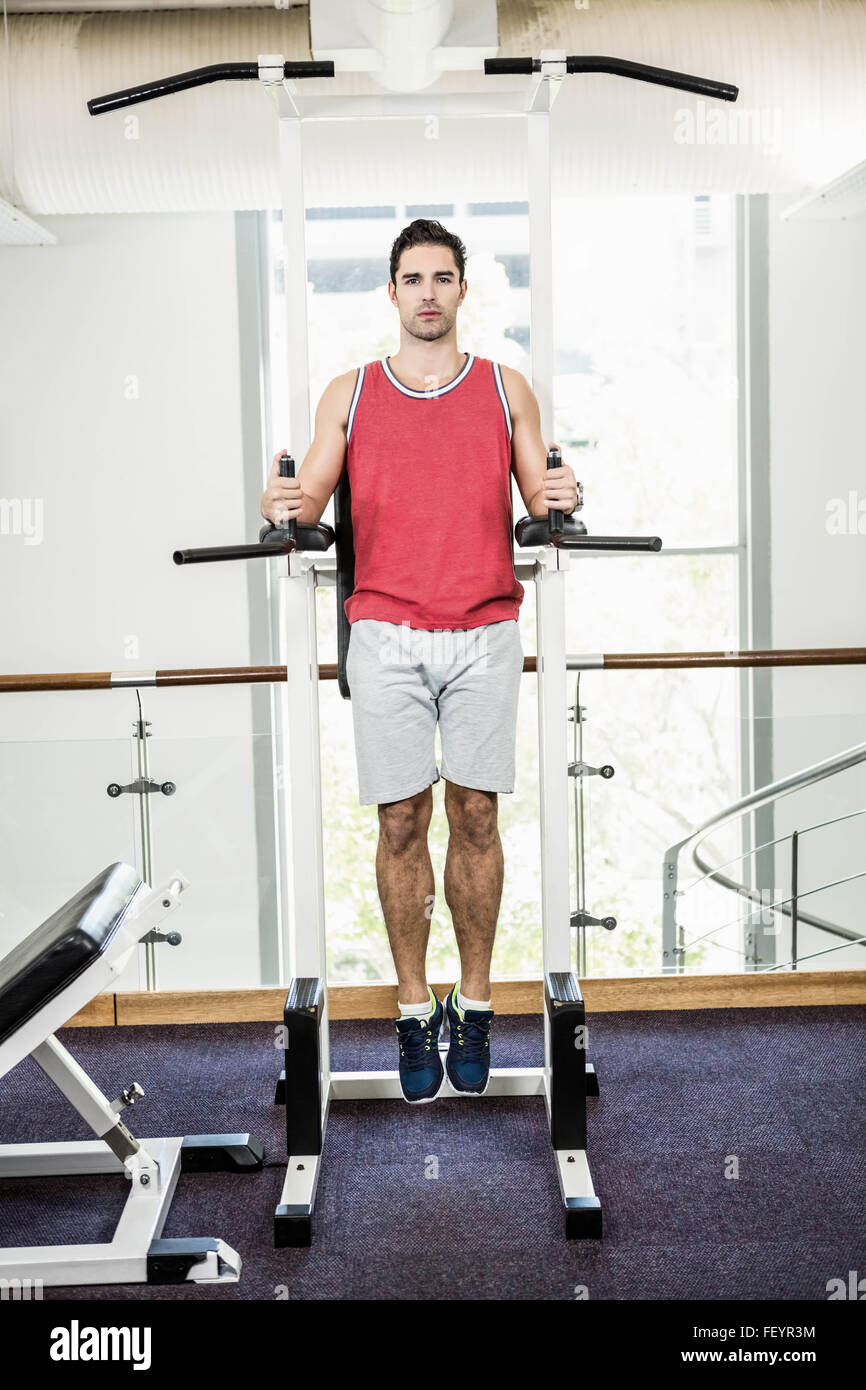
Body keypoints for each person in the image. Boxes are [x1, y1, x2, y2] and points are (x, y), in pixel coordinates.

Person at [261, 218, 578, 1104]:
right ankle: (411, 1009)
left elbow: (540, 489)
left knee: (475, 814)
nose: (429, 293)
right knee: (401, 820)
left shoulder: (503, 387)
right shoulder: (350, 393)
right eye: (413, 279)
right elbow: (308, 494)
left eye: (444, 278)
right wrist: (282, 496)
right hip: (387, 633)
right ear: (393, 293)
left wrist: (564, 490)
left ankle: (472, 1003)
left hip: (483, 631)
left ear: (463, 291)